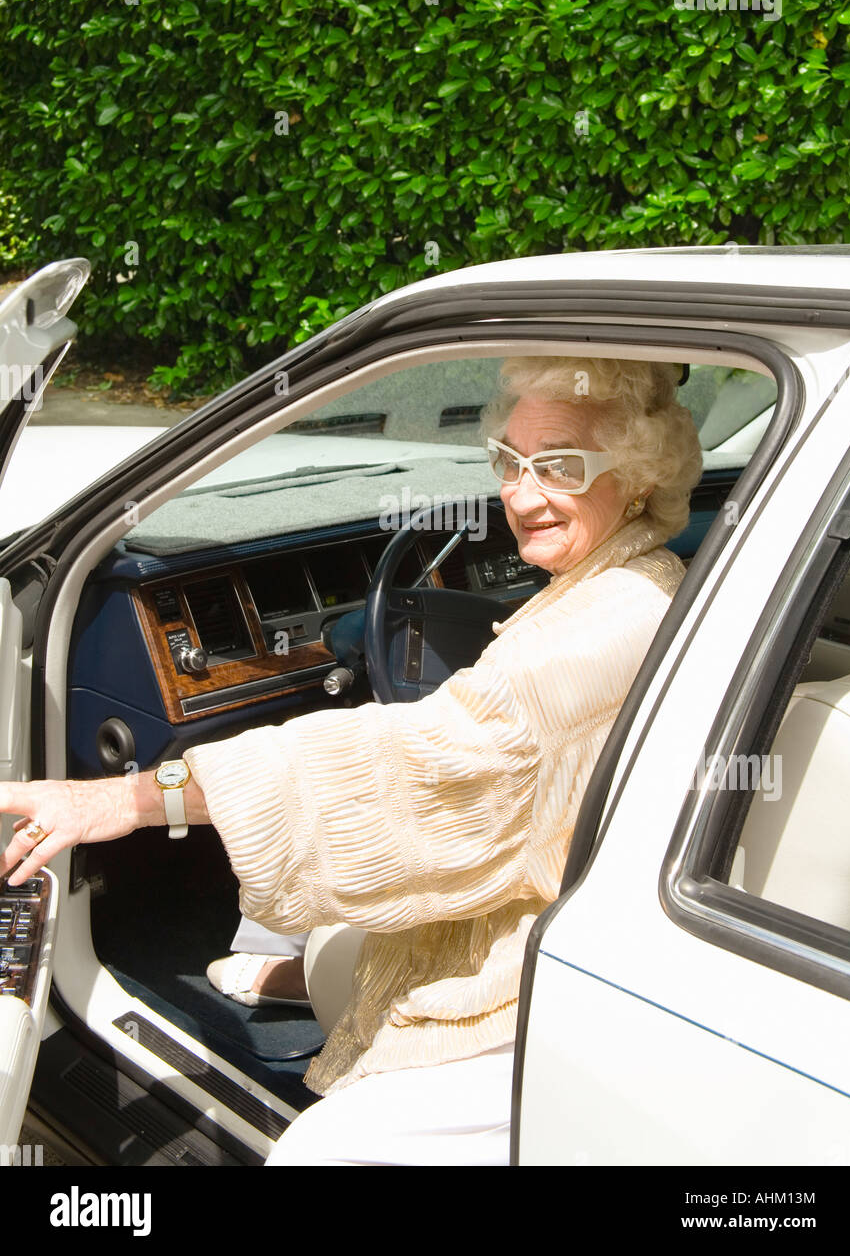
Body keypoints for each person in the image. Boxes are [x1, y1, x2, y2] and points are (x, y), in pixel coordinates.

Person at [0, 355, 703, 1165]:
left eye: (561, 466)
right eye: (510, 461)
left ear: (642, 475)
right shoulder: (640, 580)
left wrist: (125, 799)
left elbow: (408, 762)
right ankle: (295, 968)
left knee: (319, 1153)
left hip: (523, 980)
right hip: (569, 905)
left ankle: (294, 970)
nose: (520, 494)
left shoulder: (600, 633)